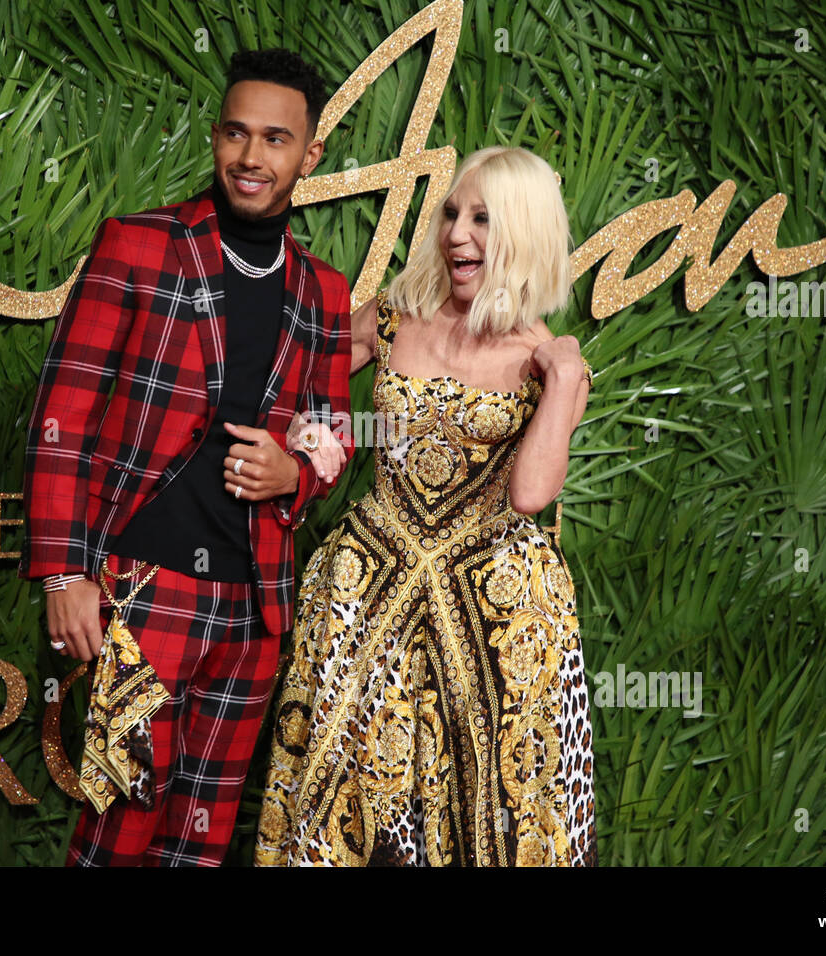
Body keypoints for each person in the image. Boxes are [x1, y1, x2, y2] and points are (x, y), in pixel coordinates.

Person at [18, 48, 354, 866]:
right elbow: (62, 411)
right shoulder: (139, 245)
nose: (251, 157)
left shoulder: (325, 291)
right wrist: (64, 575)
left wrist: (295, 474)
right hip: (142, 590)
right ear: (215, 138)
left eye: (276, 140)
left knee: (198, 845)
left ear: (309, 156)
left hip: (255, 607)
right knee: (117, 824)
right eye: (236, 134)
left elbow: (333, 427)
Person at [254, 145, 597, 866]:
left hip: (498, 617)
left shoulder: (550, 360)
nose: (457, 234)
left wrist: (564, 378)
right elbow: (289, 376)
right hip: (367, 589)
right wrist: (306, 443)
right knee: (350, 804)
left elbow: (531, 495)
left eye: (483, 219)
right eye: (450, 213)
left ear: (525, 233)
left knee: (490, 813)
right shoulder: (394, 317)